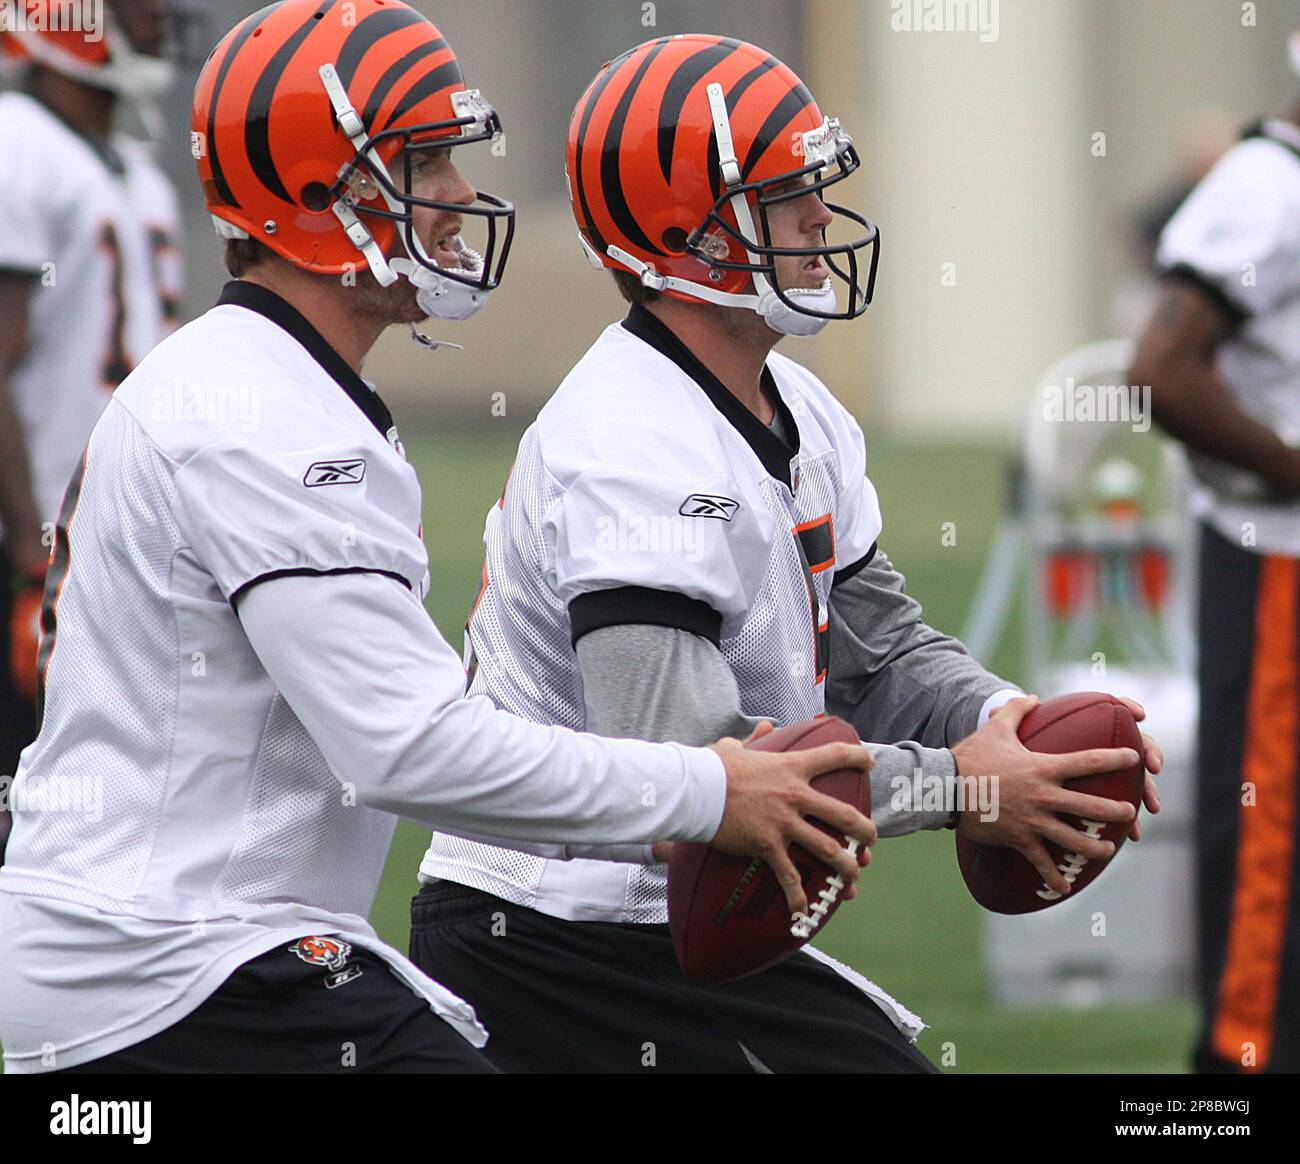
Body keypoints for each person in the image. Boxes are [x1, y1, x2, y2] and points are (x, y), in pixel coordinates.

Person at [0, 1, 875, 1076]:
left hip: (188, 951)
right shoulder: (262, 418)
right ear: (324, 191)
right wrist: (706, 791)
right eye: (423, 162)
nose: (460, 195)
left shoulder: (261, 383)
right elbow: (407, 747)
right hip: (174, 966)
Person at [412, 35, 1159, 1074]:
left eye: (816, 181)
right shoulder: (632, 441)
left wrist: (1005, 724)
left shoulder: (796, 405)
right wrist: (966, 787)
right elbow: (687, 757)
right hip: (554, 926)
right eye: (782, 190)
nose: (818, 212)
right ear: (689, 231)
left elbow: (882, 650)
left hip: (661, 921)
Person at [1130, 30, 1300, 1076]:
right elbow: (1163, 370)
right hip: (1278, 561)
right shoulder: (1266, 186)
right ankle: (1238, 1073)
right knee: (1269, 849)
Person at [0, 0, 182, 861]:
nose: (156, 22)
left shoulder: (138, 170)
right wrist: (29, 547)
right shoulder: (16, 142)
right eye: (135, 7)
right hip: (35, 545)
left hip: (112, 540)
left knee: (117, 814)